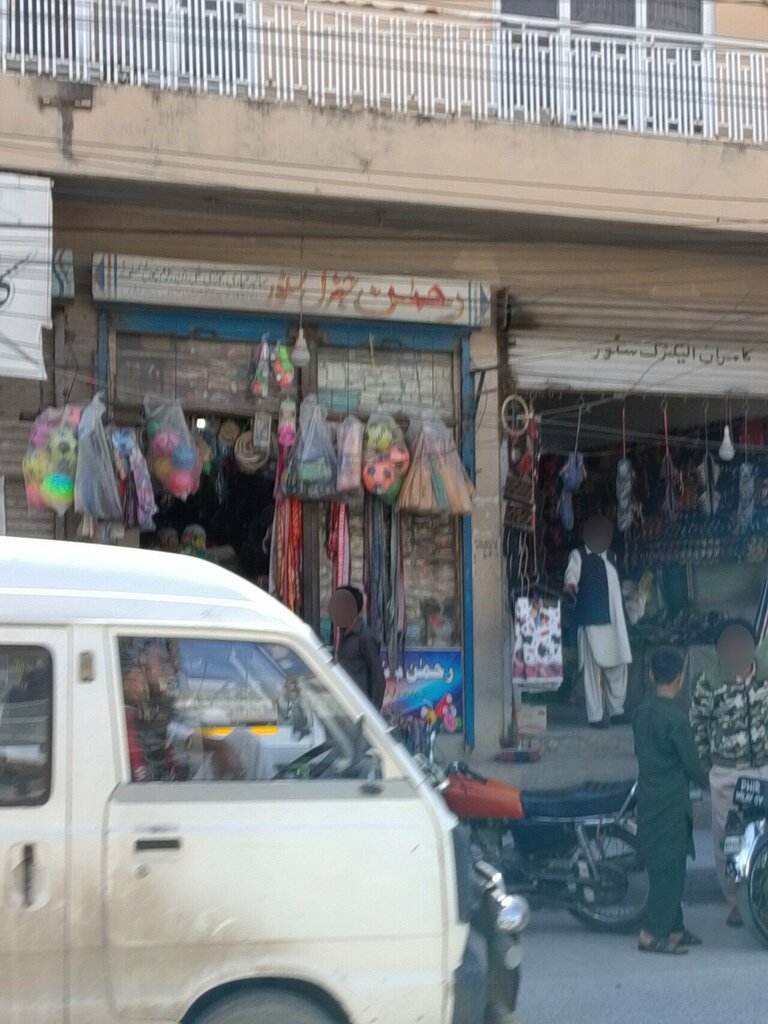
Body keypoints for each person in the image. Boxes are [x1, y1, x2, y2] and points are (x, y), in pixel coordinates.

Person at [690, 619, 768, 927]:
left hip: (764, 768)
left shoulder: (764, 676)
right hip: (727, 773)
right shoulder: (710, 682)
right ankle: (736, 902)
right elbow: (696, 724)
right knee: (728, 841)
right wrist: (707, 767)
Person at [633, 648, 709, 954]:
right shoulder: (677, 719)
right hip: (672, 801)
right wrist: (711, 781)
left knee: (665, 866)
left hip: (649, 795)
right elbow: (692, 765)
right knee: (670, 871)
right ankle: (651, 934)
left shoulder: (641, 712)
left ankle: (674, 928)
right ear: (680, 679)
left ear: (651, 676)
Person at [564, 513, 632, 728]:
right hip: (591, 621)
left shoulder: (610, 556)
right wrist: (571, 586)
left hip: (615, 623)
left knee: (618, 666)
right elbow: (571, 576)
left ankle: (617, 710)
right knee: (592, 671)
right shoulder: (578, 555)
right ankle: (595, 715)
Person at [329, 585, 387, 710]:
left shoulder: (364, 637)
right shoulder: (344, 636)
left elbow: (378, 678)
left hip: (361, 710)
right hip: (346, 709)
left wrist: (373, 714)